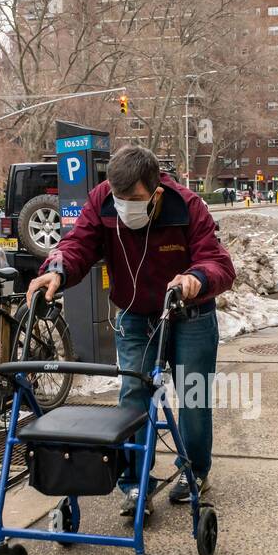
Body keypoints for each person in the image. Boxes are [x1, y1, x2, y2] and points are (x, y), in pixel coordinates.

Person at [28, 145, 236, 516]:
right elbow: (78, 245)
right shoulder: (101, 200)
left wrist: (196, 277)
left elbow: (219, 263)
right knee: (134, 397)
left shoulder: (187, 206)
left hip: (189, 314)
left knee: (192, 399)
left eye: (134, 199)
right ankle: (135, 481)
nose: (125, 206)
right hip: (135, 317)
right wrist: (56, 269)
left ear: (156, 191)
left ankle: (194, 473)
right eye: (119, 198)